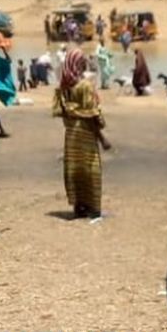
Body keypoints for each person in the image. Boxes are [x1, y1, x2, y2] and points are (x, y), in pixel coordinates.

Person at [53, 49, 110, 219]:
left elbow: (61, 111)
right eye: (82, 60)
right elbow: (93, 115)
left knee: (75, 168)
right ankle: (94, 208)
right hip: (86, 132)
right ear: (78, 63)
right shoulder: (85, 85)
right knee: (91, 168)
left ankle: (79, 206)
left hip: (71, 134)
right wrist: (102, 138)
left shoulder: (63, 87)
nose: (85, 63)